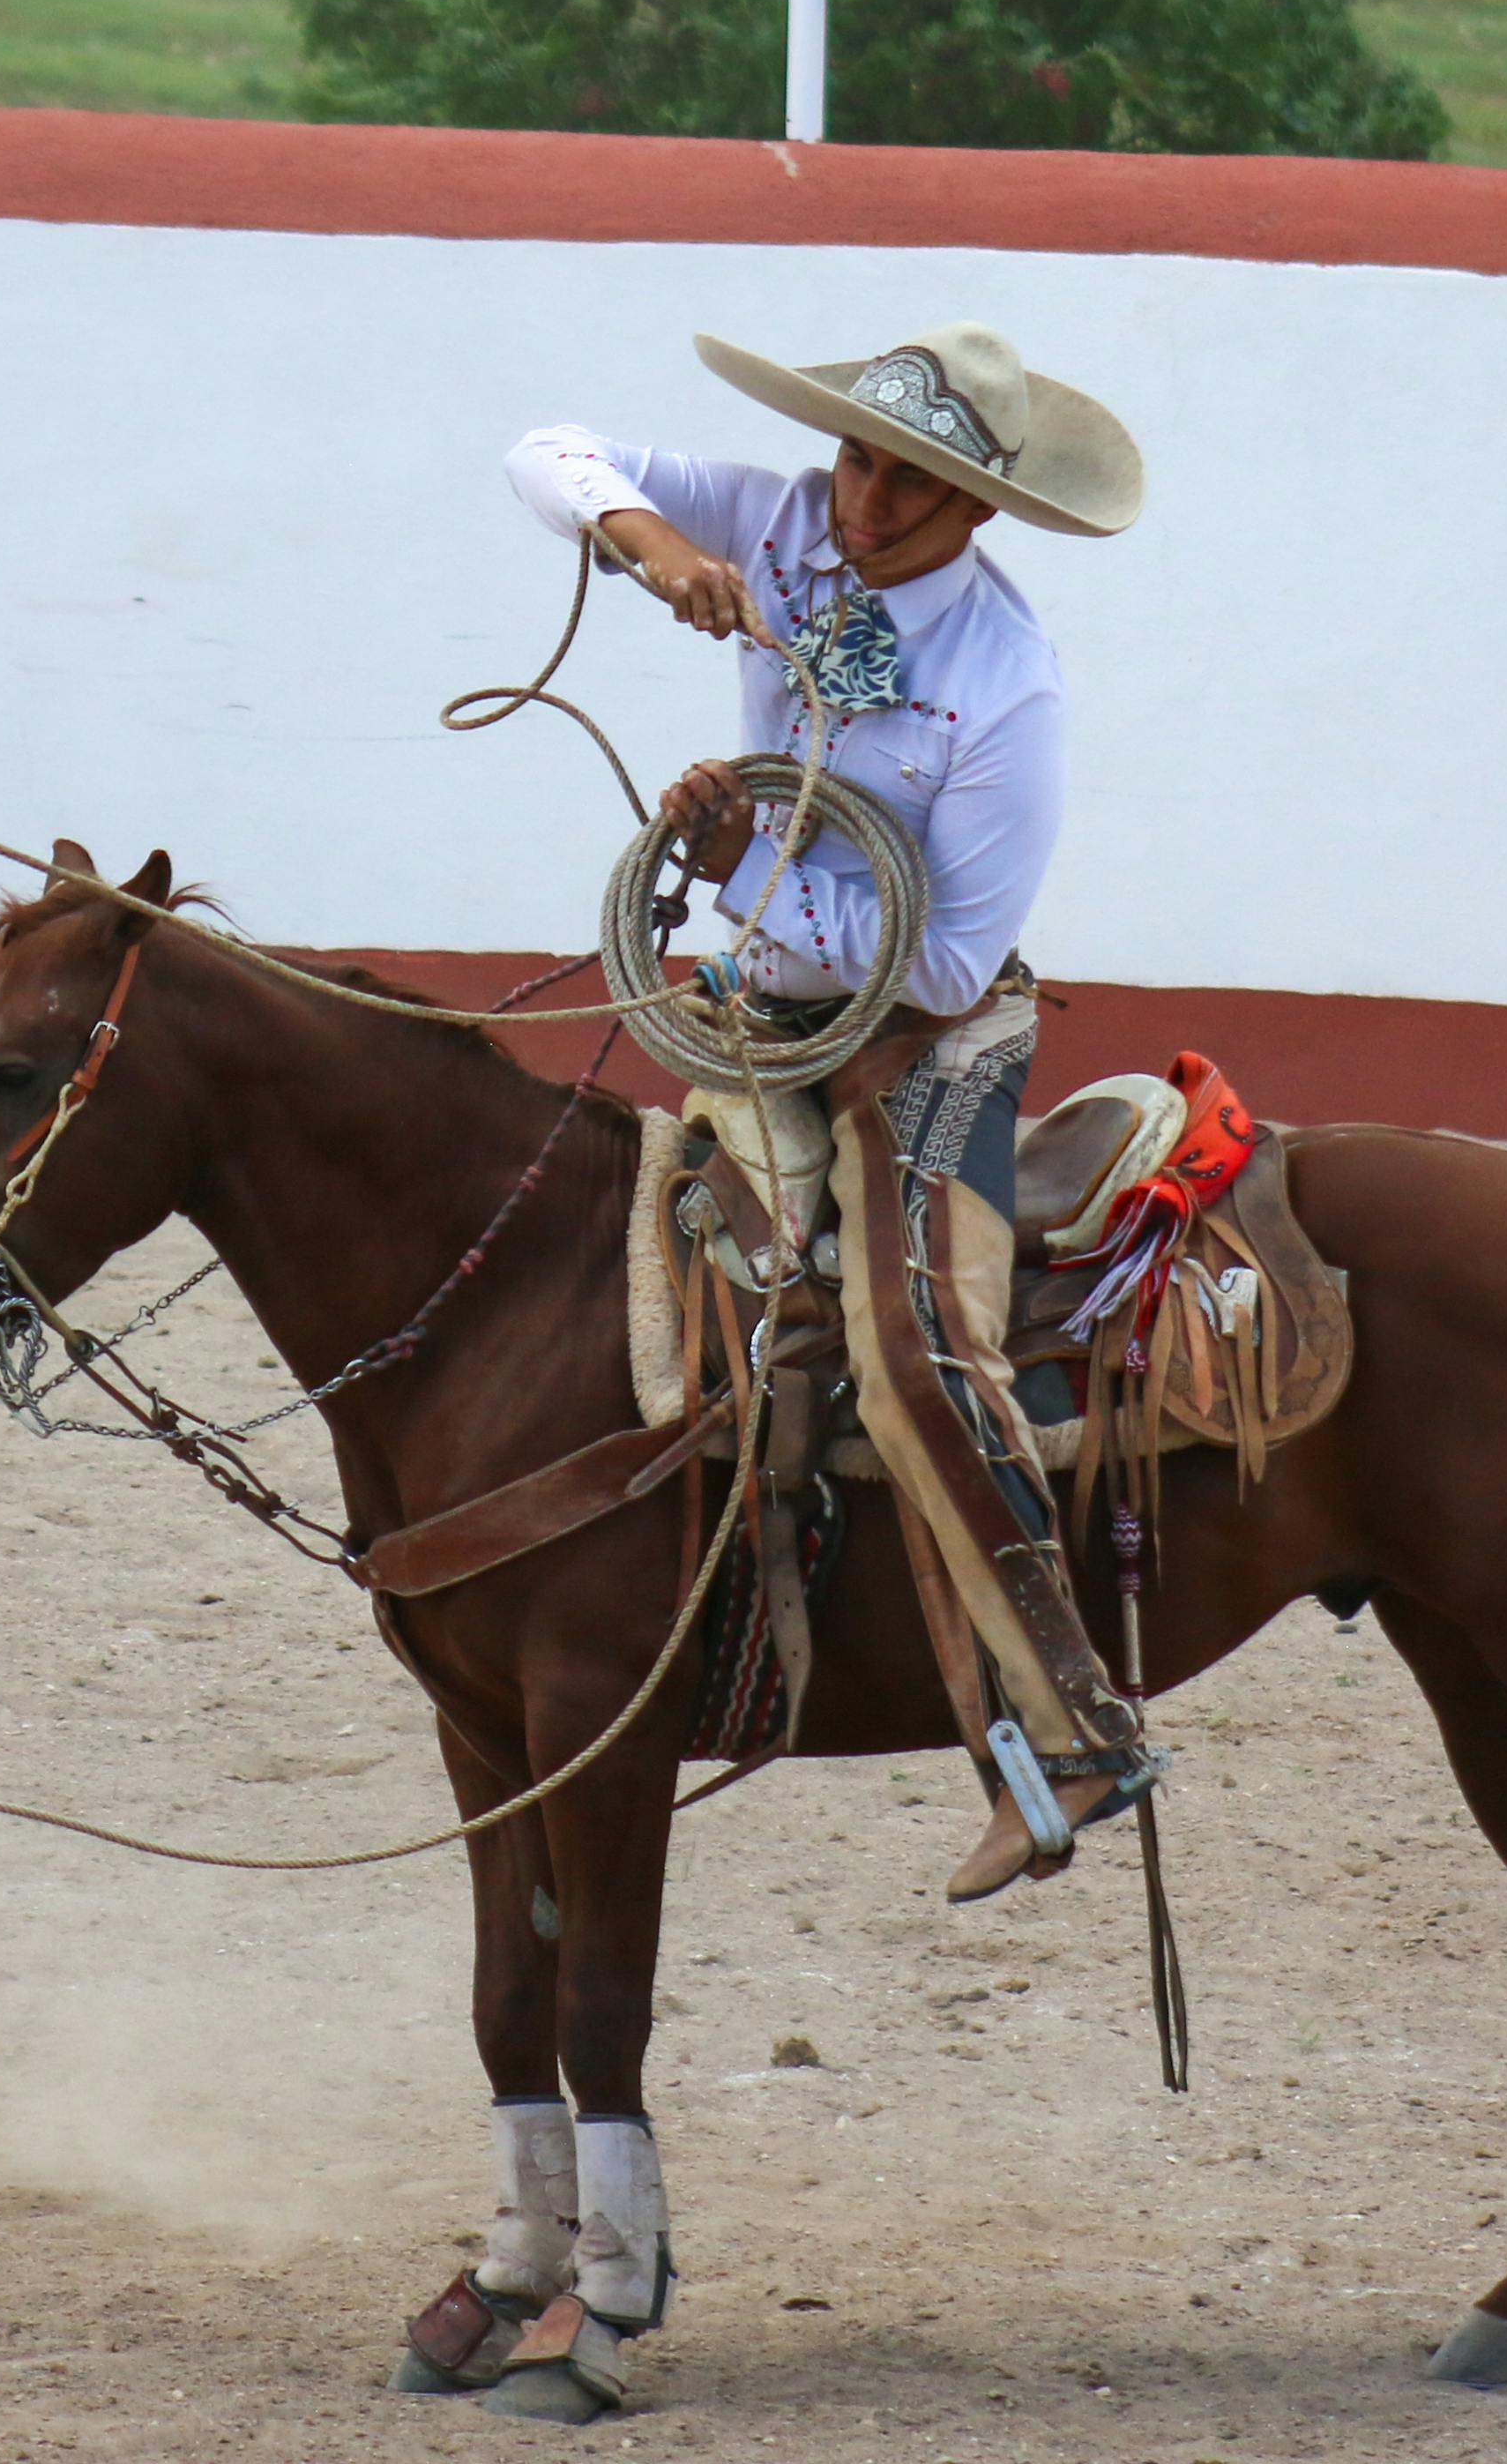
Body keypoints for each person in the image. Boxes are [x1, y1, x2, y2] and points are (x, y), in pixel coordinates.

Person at [506, 322, 1160, 1902]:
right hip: (758, 1016)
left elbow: (939, 965)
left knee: (915, 1337)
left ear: (978, 512)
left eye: (909, 486)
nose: (863, 505)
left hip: (927, 1053)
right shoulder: (785, 518)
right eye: (860, 458)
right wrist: (653, 546)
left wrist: (736, 862)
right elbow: (548, 449)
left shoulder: (1008, 691)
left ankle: (1076, 1728)